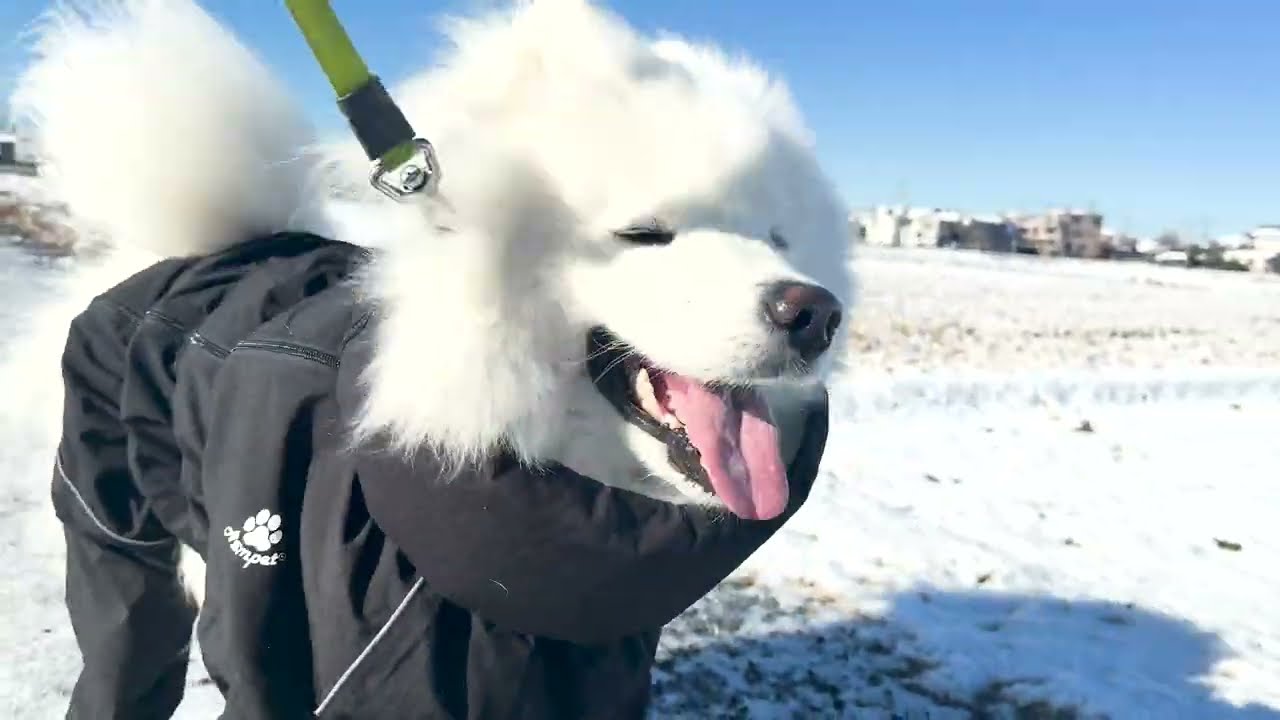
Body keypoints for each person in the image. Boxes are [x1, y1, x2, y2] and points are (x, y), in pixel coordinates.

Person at [52, 231, 831, 719]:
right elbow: (258, 653)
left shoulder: (658, 494)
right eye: (647, 233)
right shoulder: (158, 334)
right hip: (158, 350)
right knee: (132, 638)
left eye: (773, 237)